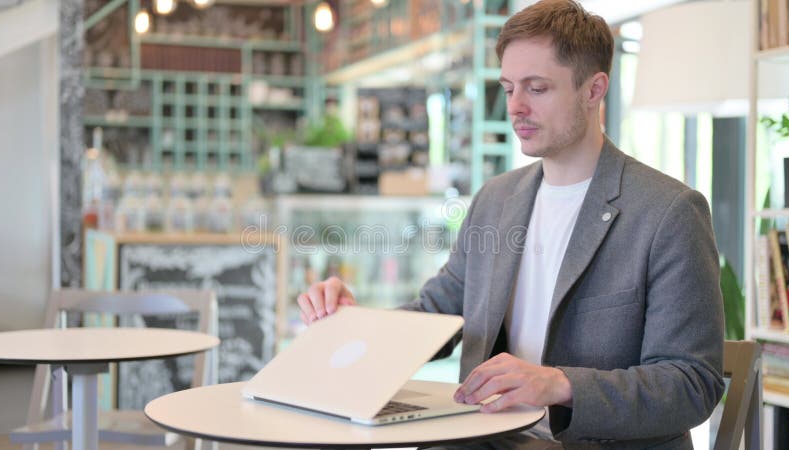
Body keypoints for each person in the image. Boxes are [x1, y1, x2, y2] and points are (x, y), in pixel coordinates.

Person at [297, 0, 724, 447]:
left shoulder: (669, 212)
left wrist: (560, 384)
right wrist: (355, 323)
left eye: (537, 89)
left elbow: (693, 383)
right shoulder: (496, 200)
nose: (516, 107)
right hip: (488, 438)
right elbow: (435, 317)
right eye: (508, 88)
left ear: (594, 90)